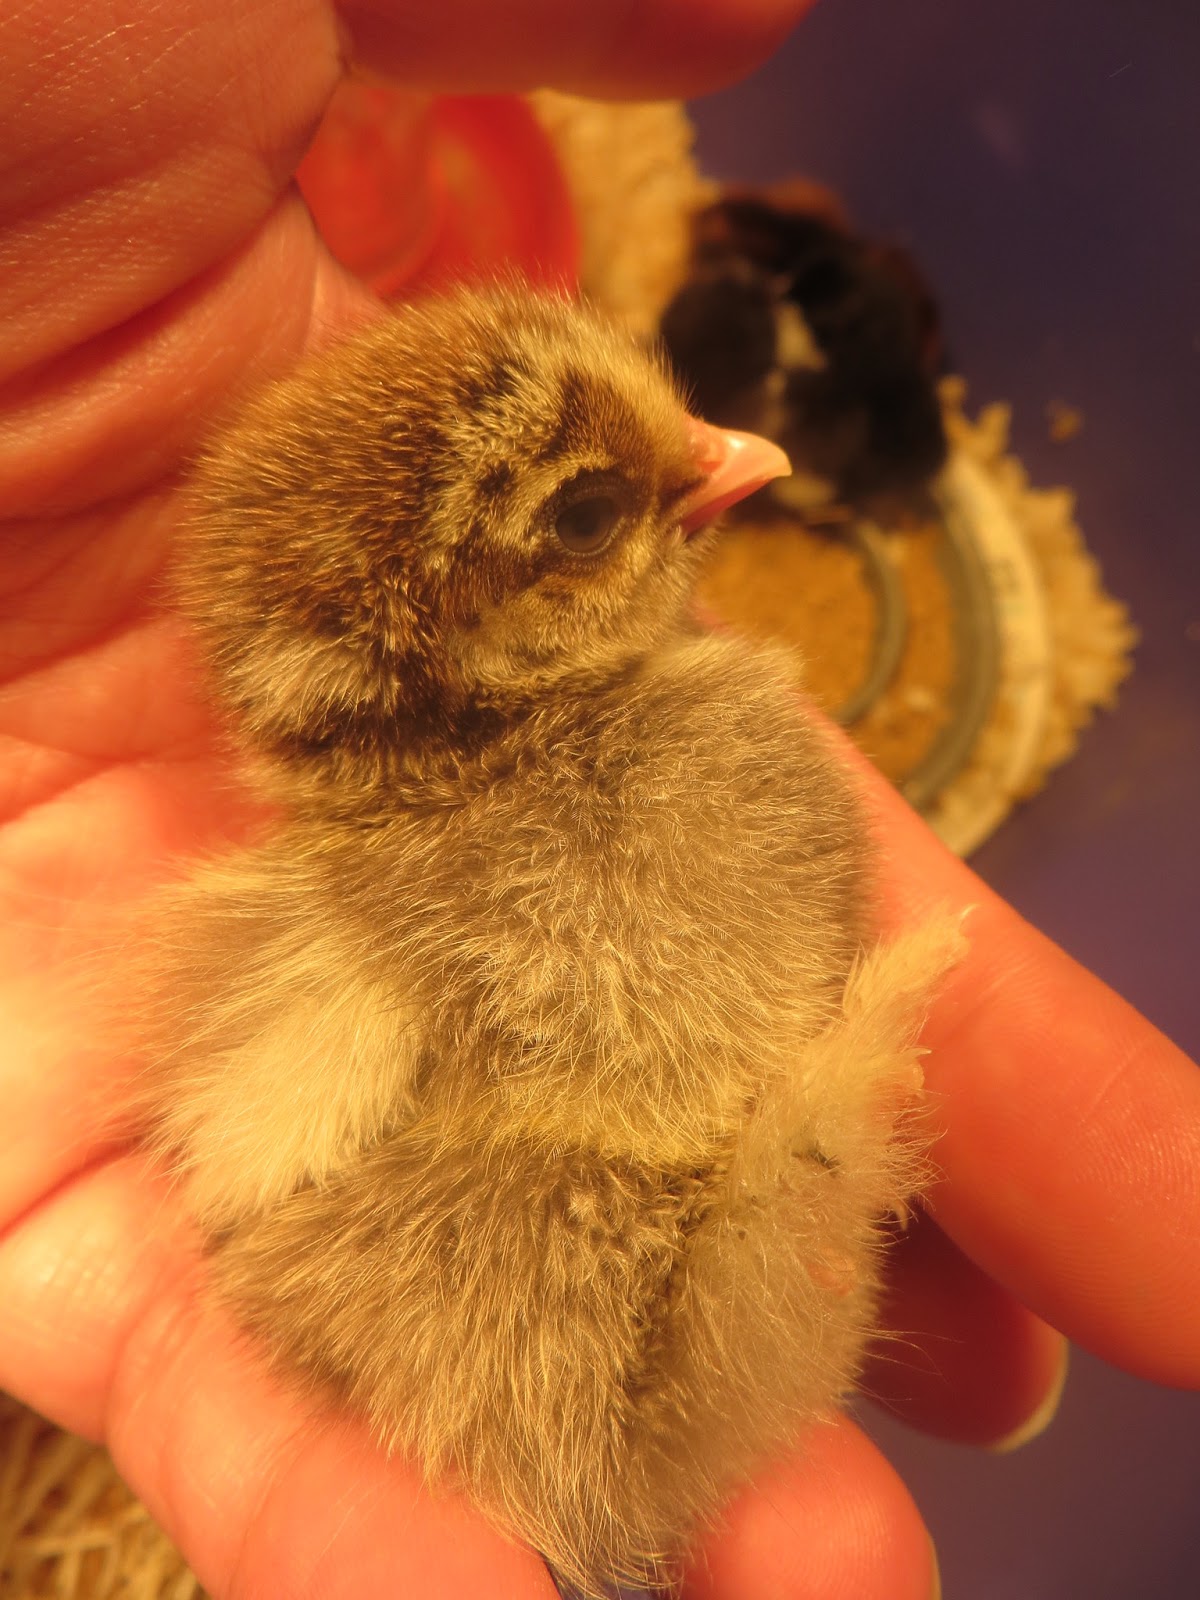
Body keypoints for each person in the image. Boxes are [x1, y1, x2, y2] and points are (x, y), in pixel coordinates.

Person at [0, 4, 1196, 1596]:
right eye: (583, 514)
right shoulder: (411, 915)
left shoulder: (371, 913)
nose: (733, 455)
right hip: (541, 1315)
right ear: (435, 648)